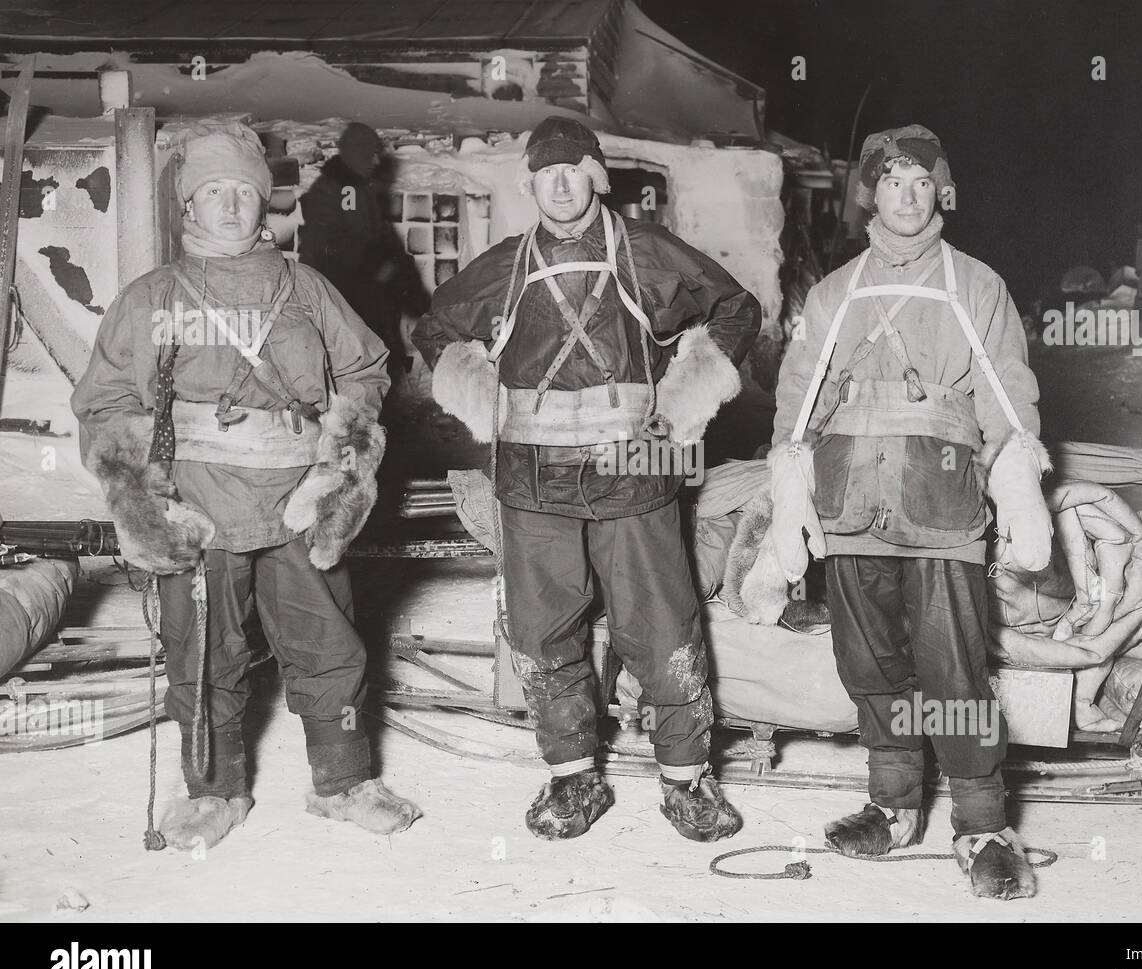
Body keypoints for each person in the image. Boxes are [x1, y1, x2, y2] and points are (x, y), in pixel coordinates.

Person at [71, 122, 420, 851]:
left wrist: (337, 472)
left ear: (264, 204)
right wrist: (145, 503)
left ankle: (344, 778)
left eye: (243, 192)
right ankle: (212, 790)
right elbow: (106, 403)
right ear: (188, 206)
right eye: (212, 192)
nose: (230, 207)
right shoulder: (150, 297)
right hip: (196, 500)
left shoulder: (307, 289)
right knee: (203, 651)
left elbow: (364, 370)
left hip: (297, 495)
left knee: (332, 645)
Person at [414, 116, 761, 842]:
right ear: (531, 183)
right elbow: (436, 328)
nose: (562, 183)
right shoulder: (507, 266)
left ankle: (687, 781)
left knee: (662, 624)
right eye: (548, 172)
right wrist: (480, 395)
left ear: (597, 176)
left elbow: (736, 307)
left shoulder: (644, 252)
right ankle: (573, 776)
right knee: (543, 633)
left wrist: (687, 394)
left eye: (575, 169)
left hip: (635, 473)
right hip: (532, 481)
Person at [768, 125, 1050, 898]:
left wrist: (1019, 481)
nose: (906, 192)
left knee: (953, 673)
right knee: (870, 667)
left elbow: (1008, 398)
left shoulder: (978, 287)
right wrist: (790, 487)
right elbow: (801, 403)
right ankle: (892, 806)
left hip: (944, 510)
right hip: (852, 507)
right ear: (871, 193)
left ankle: (983, 825)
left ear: (940, 192)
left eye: (920, 180)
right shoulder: (834, 294)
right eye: (891, 179)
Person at [298, 122, 428, 381]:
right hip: (344, 293)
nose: (377, 160)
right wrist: (378, 267)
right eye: (371, 153)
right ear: (356, 153)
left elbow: (371, 234)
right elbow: (334, 243)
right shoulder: (342, 188)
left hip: (357, 289)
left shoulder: (355, 186)